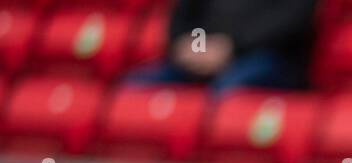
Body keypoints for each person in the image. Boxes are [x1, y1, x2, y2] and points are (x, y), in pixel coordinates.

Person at [125, 0, 316, 93]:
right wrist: (195, 47)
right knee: (135, 89)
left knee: (227, 93)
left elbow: (292, 21)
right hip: (200, 58)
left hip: (266, 59)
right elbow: (182, 19)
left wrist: (231, 47)